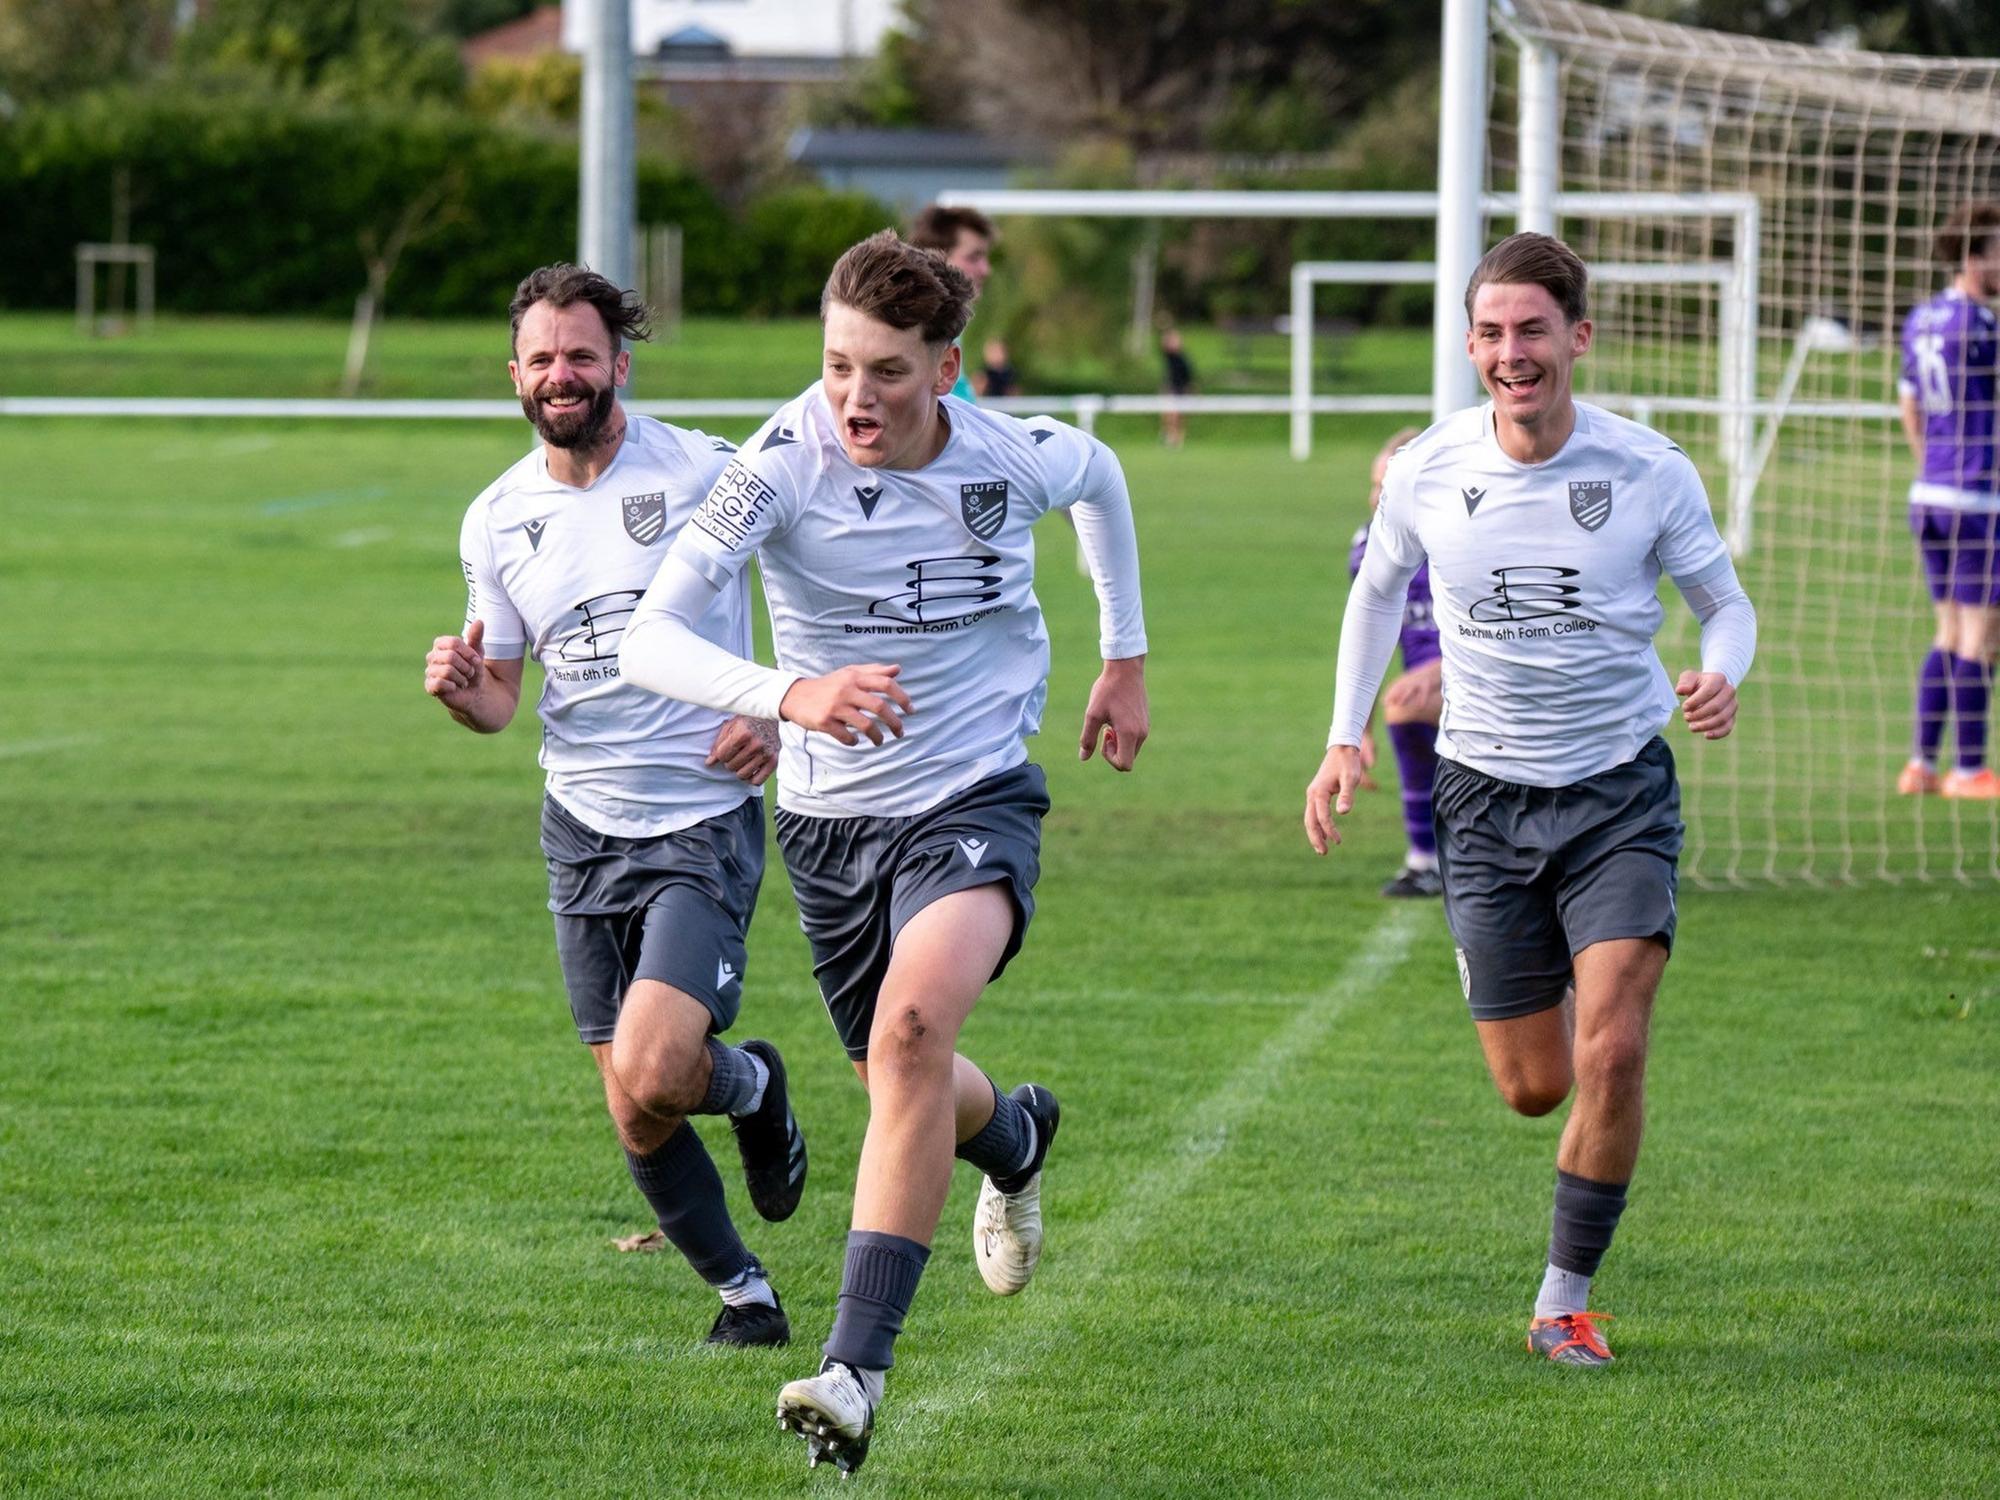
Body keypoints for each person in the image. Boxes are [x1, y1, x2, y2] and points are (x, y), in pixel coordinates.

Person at [620, 230, 1148, 1472]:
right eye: (838, 364)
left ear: (947, 369)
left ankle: (852, 1373)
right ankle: (1010, 1141)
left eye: (889, 373)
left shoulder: (1011, 454)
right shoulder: (775, 464)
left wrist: (1121, 654)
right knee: (898, 1076)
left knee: (911, 1037)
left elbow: (1104, 478)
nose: (856, 396)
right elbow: (652, 637)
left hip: (973, 793)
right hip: (826, 820)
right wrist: (784, 692)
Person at [1303, 232, 1757, 1368]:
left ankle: (1562, 1303)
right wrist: (1341, 736)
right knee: (1532, 1086)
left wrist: (1720, 672)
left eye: (1533, 331)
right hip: (1482, 800)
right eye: (1492, 334)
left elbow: (1725, 604)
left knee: (1609, 1054)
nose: (1513, 354)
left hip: (1616, 795)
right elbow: (1373, 596)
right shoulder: (1428, 469)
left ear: (1577, 339)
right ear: (1469, 346)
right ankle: (1525, 979)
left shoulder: (1647, 469)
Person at [422, 263, 808, 1350]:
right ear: (514, 374)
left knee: (654, 1065)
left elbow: (815, 579)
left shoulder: (702, 470)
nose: (561, 375)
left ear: (618, 365)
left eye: (580, 355)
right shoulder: (496, 519)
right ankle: (746, 1296)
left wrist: (780, 709)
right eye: (541, 358)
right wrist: (465, 692)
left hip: (698, 816)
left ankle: (753, 1085)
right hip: (578, 827)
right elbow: (504, 698)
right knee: (636, 1102)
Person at [1896, 200, 2000, 800]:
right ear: (1974, 256)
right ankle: (1969, 771)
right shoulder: (1983, 326)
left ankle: (1921, 766)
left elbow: (1909, 405)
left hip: (1929, 493)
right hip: (1979, 501)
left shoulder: (1923, 318)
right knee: (1979, 639)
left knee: (1947, 632)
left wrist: (1930, 463)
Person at [1346, 426, 1444, 897]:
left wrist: (1444, 669)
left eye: (1386, 488)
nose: (1375, 498)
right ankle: (1428, 858)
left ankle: (1430, 858)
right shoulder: (1371, 546)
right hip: (1427, 686)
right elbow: (1370, 635)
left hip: (1489, 675)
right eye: (1374, 486)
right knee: (1405, 705)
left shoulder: (1458, 538)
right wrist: (1354, 732)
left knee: (1406, 703)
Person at [910, 204, 995, 404]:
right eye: (973, 257)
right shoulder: (914, 327)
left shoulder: (949, 323)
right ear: (936, 258)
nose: (985, 269)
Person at [1160, 327, 1193, 448]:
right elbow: (1163, 344)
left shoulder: (1183, 359)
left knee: (1177, 416)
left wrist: (1189, 390)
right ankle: (1170, 437)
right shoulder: (1169, 357)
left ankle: (1176, 439)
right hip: (1172, 389)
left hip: (1180, 390)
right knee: (1170, 415)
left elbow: (1189, 377)